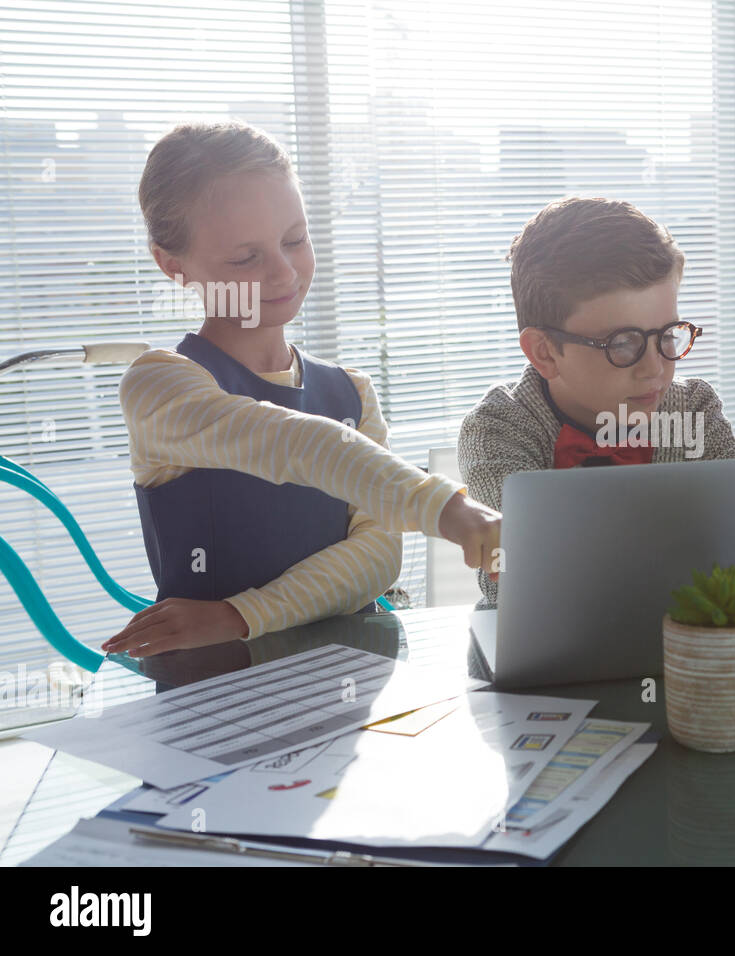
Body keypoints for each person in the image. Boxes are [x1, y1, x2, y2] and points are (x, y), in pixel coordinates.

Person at [106, 121, 499, 659]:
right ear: (172, 265)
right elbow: (293, 443)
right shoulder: (160, 386)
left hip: (353, 678)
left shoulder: (352, 393)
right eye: (246, 258)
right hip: (215, 687)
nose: (284, 271)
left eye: (295, 239)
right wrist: (446, 508)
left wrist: (240, 615)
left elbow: (377, 556)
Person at [458, 198, 735, 606]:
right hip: (546, 656)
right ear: (545, 352)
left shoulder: (692, 408)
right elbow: (512, 578)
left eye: (666, 336)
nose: (654, 370)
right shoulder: (499, 428)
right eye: (622, 344)